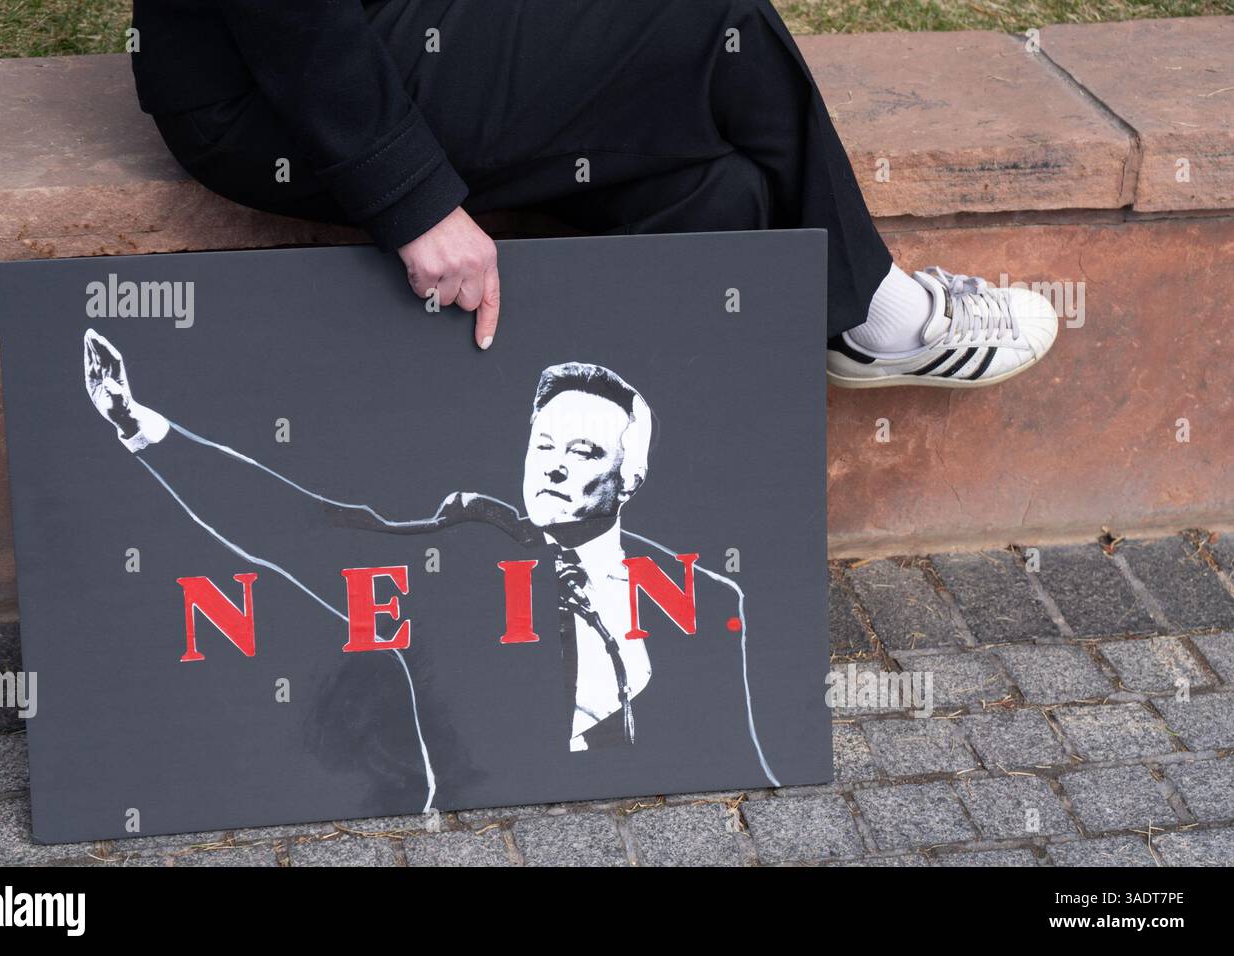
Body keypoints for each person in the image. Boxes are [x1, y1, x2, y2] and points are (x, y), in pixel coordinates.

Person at [129, 0, 1061, 388]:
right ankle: (871, 315)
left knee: (718, 184)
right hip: (272, 87)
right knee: (716, 22)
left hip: (389, 26)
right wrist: (411, 198)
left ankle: (698, 525)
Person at [82, 329, 784, 810]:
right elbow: (296, 525)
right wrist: (139, 423)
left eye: (586, 452)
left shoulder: (703, 595)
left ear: (631, 478)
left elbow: (737, 755)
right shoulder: (460, 560)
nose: (557, 466)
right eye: (544, 446)